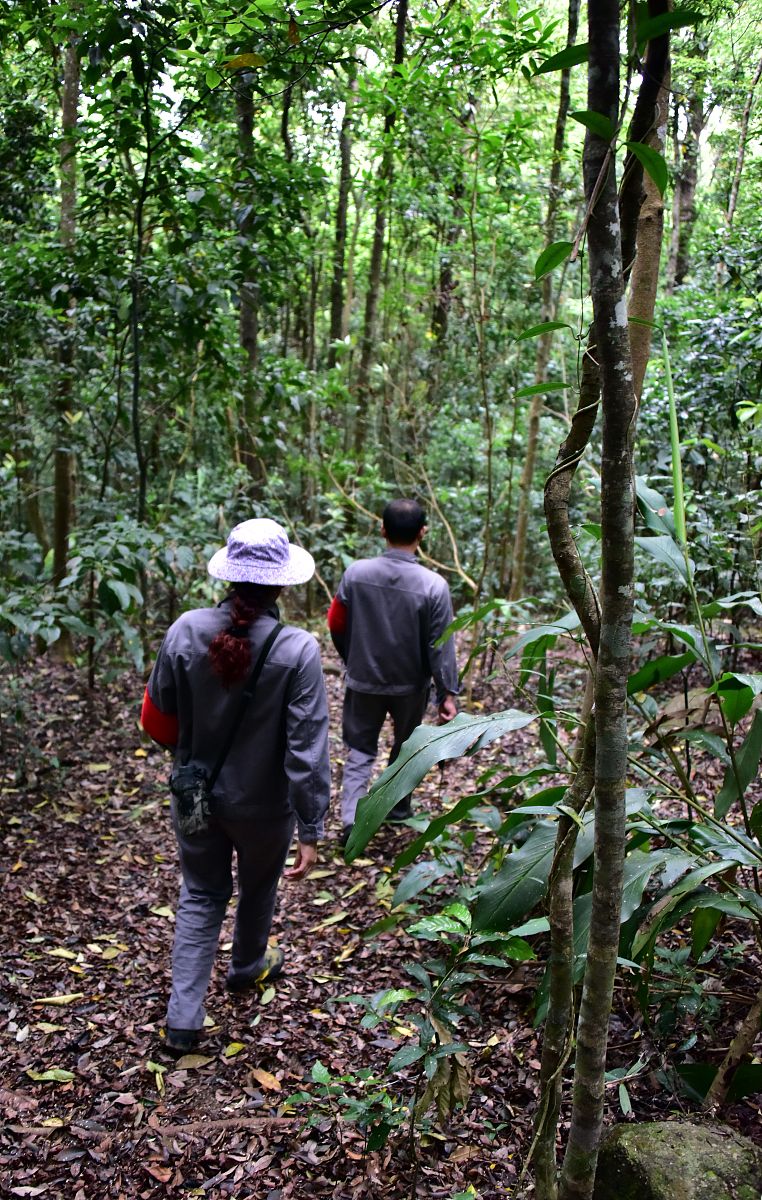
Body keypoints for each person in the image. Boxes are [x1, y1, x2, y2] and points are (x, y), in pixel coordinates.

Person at [140, 518, 330, 1055]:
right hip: (266, 807)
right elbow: (306, 749)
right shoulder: (297, 651)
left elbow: (157, 718)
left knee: (200, 894)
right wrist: (311, 826)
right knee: (259, 882)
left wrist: (193, 760)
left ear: (229, 575)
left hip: (195, 797)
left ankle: (183, 1020)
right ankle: (247, 965)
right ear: (281, 584)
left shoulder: (184, 630)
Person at [327, 498, 459, 843]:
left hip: (363, 681)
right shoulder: (434, 586)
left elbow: (336, 623)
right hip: (410, 686)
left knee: (359, 751)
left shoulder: (356, 574)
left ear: (382, 530)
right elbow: (440, 645)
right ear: (423, 533)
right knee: (404, 749)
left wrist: (351, 657)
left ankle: (352, 821)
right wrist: (447, 694)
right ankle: (397, 810)